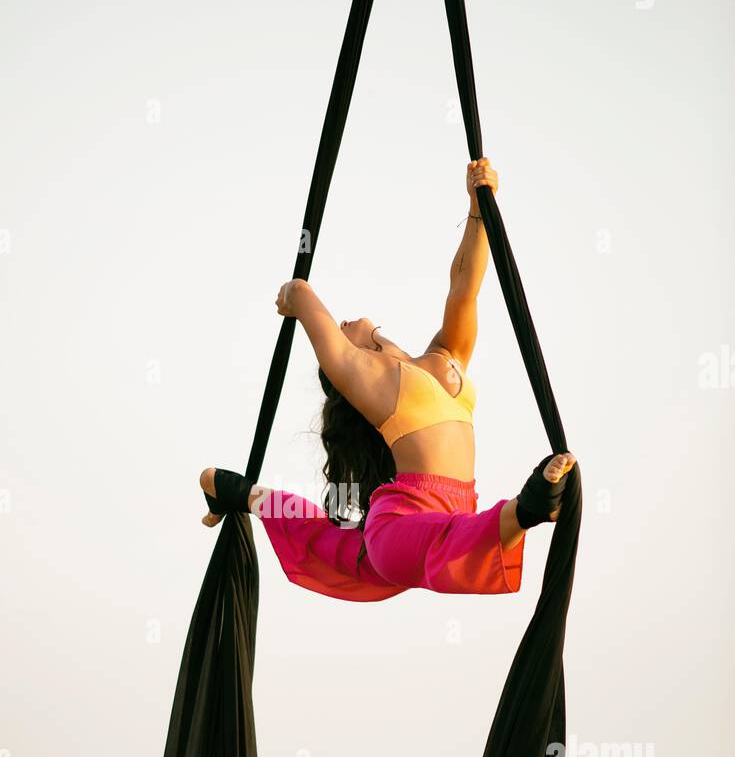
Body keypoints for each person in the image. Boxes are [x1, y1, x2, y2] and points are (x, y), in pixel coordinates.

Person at [199, 158, 576, 603]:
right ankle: (528, 508)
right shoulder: (375, 380)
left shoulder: (440, 358)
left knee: (326, 534)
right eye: (340, 328)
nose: (343, 321)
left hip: (447, 516)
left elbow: (464, 287)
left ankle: (231, 490)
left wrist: (477, 208)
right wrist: (294, 296)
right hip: (407, 528)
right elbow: (308, 306)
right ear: (353, 355)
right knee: (452, 536)